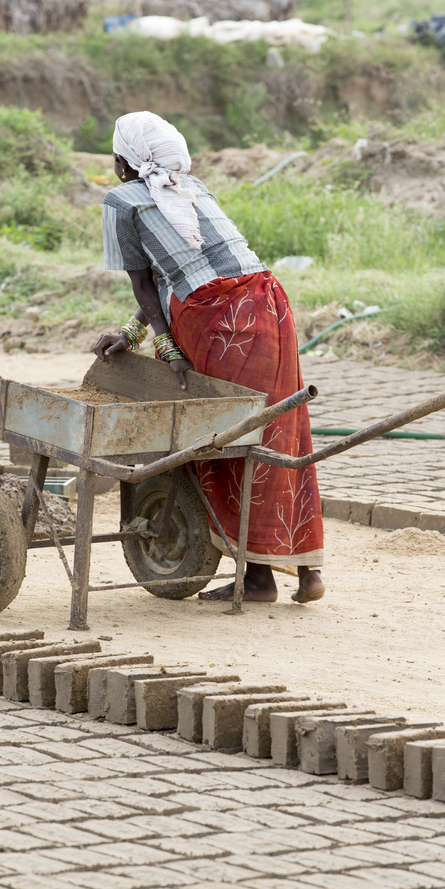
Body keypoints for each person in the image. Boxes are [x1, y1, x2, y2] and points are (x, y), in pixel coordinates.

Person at [93, 111, 324, 604]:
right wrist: (132, 333)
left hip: (215, 319)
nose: (114, 165)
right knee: (280, 428)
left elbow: (147, 285)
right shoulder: (192, 188)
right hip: (268, 302)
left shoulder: (120, 200)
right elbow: (181, 275)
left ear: (125, 161)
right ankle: (308, 572)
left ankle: (259, 579)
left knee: (220, 436)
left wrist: (167, 347)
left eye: (115, 155)